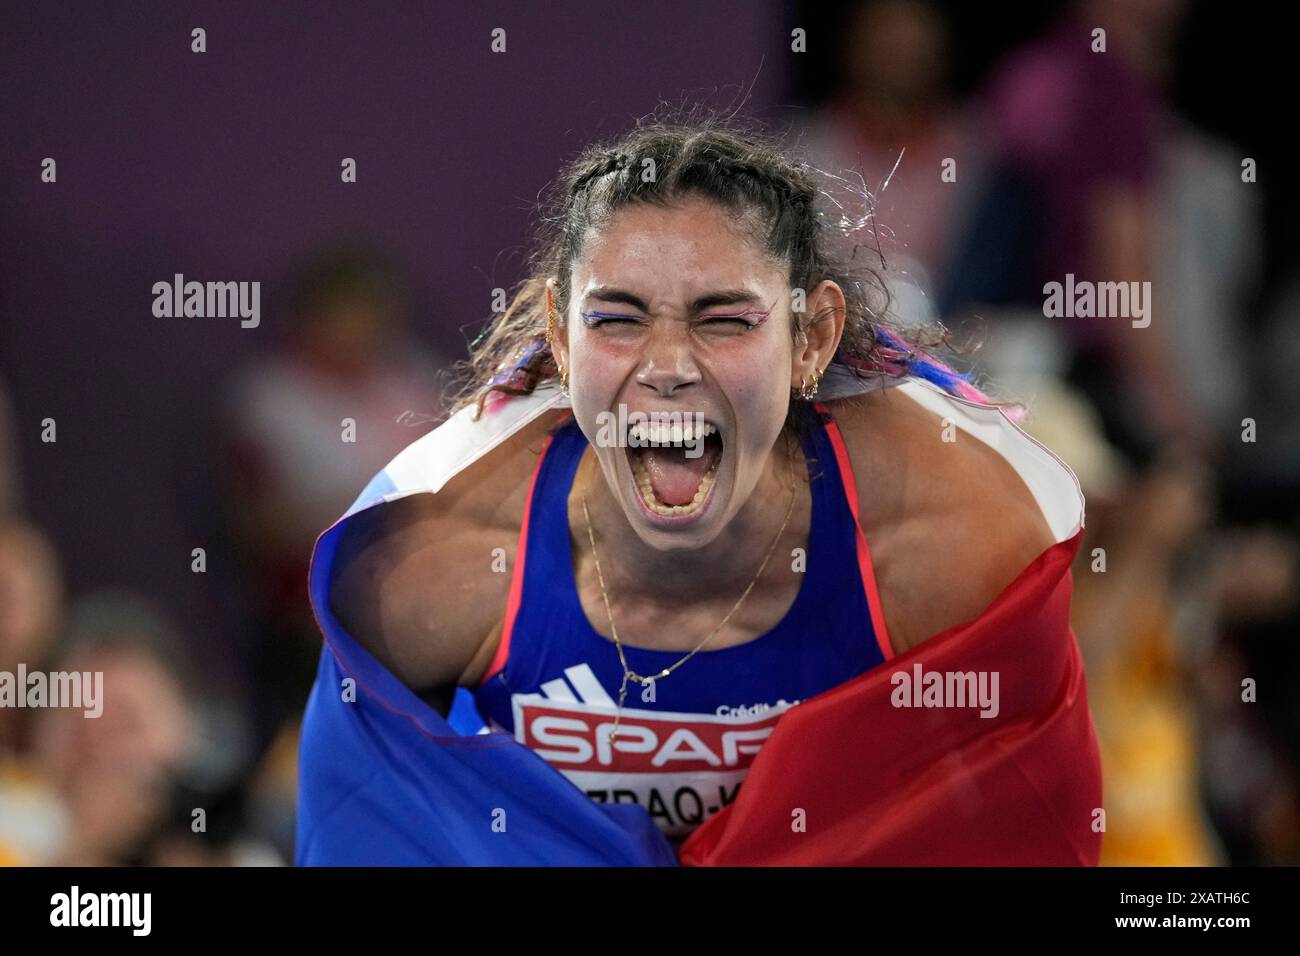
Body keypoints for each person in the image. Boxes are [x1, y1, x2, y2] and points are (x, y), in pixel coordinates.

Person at [311, 117, 1084, 856]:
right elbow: (360, 836)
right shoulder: (430, 558)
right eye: (617, 318)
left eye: (723, 320)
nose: (668, 365)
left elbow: (1025, 831)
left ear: (810, 339)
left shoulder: (952, 534)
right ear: (559, 337)